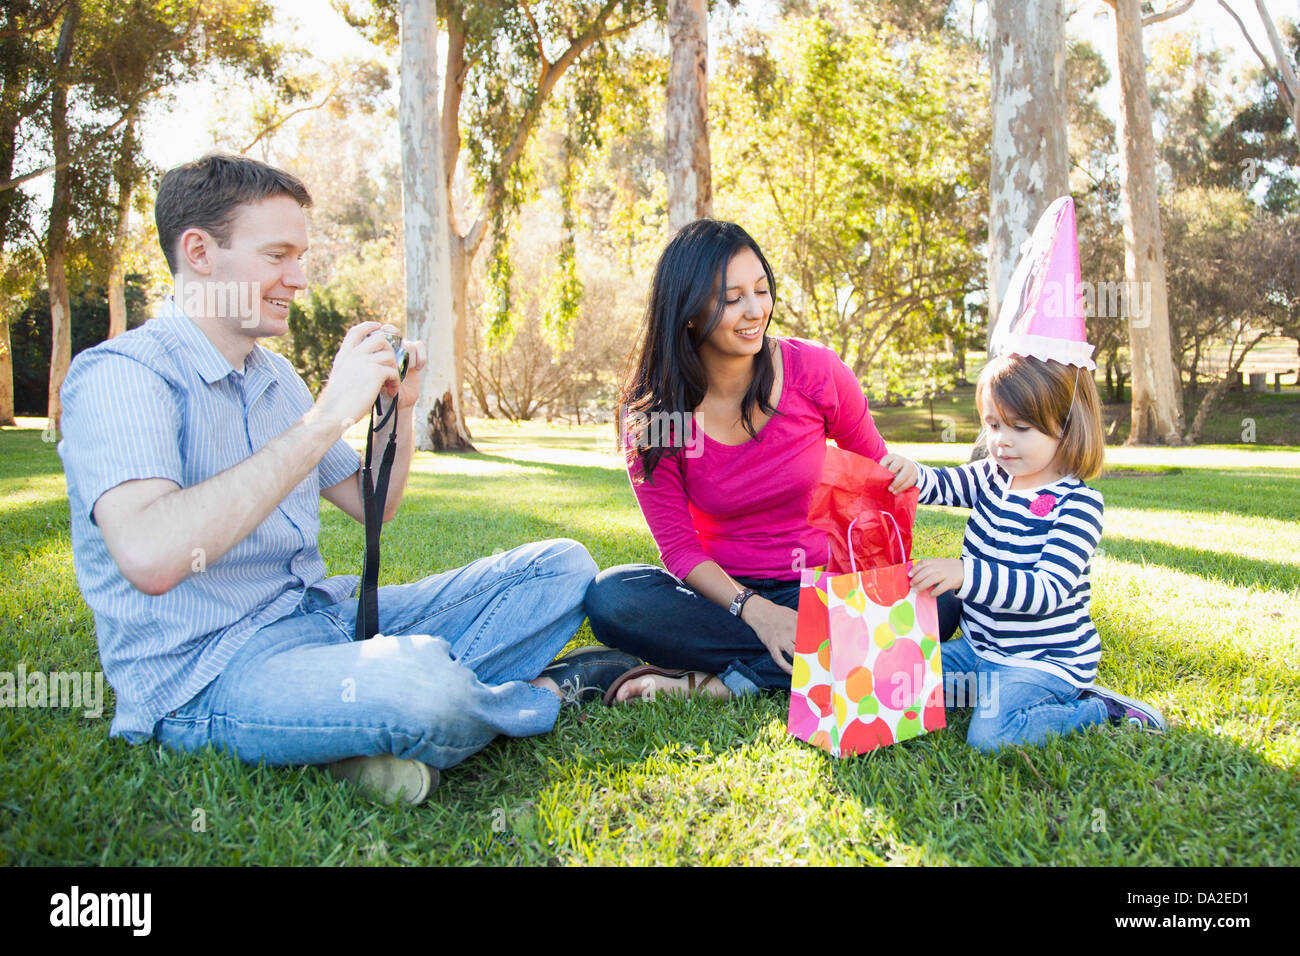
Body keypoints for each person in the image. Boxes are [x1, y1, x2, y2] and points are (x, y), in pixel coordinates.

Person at [58, 152, 636, 805]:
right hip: (207, 673)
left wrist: (399, 407)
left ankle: (353, 736)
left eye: (301, 258)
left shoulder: (275, 379)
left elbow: (375, 506)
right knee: (420, 685)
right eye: (278, 255)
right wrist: (328, 414)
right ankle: (537, 695)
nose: (298, 279)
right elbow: (153, 556)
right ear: (199, 251)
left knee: (559, 568)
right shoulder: (121, 375)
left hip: (320, 618)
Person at [584, 219, 935, 703]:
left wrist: (871, 579)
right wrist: (756, 610)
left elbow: (876, 475)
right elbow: (680, 552)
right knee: (613, 597)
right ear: (687, 310)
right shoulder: (657, 417)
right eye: (731, 299)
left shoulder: (815, 371)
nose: (755, 311)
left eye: (762, 290)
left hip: (823, 587)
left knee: (940, 602)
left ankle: (718, 683)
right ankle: (827, 659)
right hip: (724, 599)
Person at [879, 193, 1166, 751]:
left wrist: (966, 575)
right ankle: (978, 690)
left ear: (1066, 424)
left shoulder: (1077, 504)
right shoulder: (992, 476)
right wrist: (911, 470)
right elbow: (943, 484)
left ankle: (1093, 710)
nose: (1001, 441)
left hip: (1047, 661)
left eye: (1020, 428)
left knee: (990, 736)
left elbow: (1049, 590)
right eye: (992, 424)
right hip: (982, 651)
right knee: (900, 687)